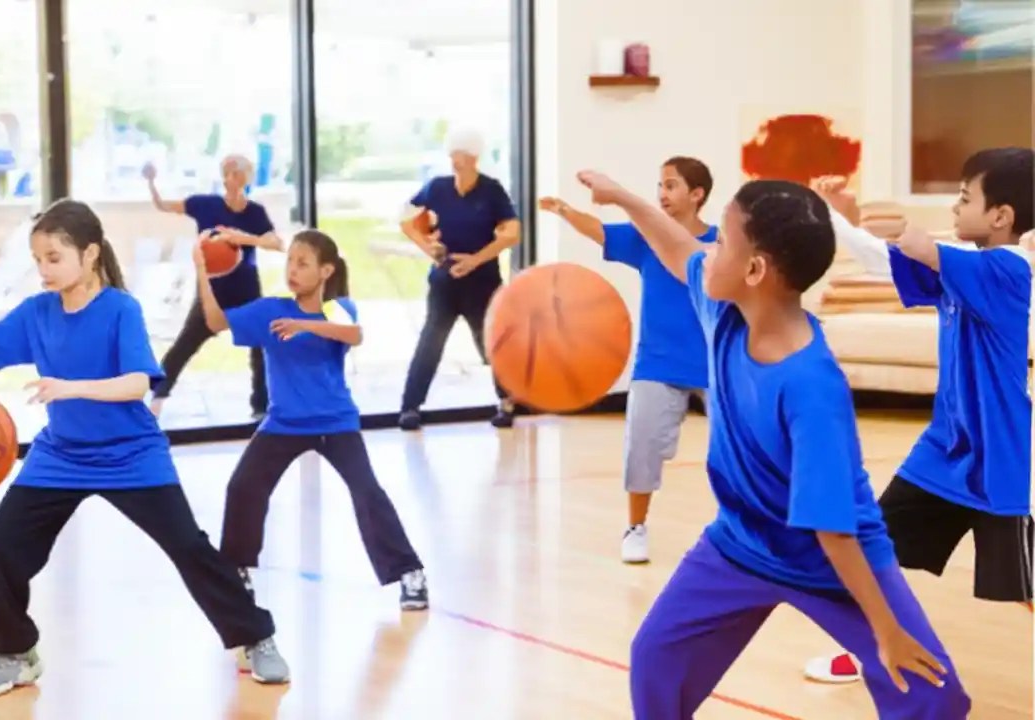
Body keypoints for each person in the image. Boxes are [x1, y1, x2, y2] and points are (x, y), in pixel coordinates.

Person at [574, 170, 970, 719]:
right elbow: (677, 246)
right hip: (739, 544)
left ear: (755, 270)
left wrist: (885, 631)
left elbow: (832, 528)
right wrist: (622, 197)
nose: (707, 251)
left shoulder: (812, 386)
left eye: (722, 245)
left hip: (831, 564)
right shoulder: (724, 311)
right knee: (655, 658)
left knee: (932, 694)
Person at [0, 198, 290, 696]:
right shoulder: (37, 312)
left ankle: (255, 638)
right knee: (0, 546)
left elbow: (138, 383)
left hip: (132, 454)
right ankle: (13, 652)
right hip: (62, 455)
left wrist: (71, 386)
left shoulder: (121, 308)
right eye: (37, 260)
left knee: (189, 548)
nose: (44, 270)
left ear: (91, 253)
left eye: (54, 258)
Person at [802, 148, 1034, 684]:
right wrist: (840, 215)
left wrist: (854, 215)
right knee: (869, 548)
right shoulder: (969, 267)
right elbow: (886, 261)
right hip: (945, 452)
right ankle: (866, 649)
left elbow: (914, 245)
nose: (954, 208)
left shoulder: (1006, 268)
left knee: (1025, 589)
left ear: (1000, 215)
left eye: (963, 197)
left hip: (1005, 464)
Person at [193, 228, 429, 613]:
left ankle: (410, 573)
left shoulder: (337, 308)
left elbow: (353, 334)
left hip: (335, 423)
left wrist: (305, 325)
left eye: (303, 263)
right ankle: (237, 573)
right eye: (290, 261)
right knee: (243, 488)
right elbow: (216, 322)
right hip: (284, 424)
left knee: (367, 493)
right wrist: (202, 272)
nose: (293, 269)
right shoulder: (271, 310)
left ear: (325, 271)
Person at [539, 157, 716, 563]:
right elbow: (599, 231)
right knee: (641, 446)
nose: (662, 193)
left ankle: (742, 527)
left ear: (697, 194)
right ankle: (636, 526)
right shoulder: (645, 239)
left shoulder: (719, 242)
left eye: (671, 185)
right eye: (659, 185)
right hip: (656, 364)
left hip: (713, 367)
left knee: (733, 452)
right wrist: (565, 211)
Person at [398, 128, 521, 431]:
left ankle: (507, 403)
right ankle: (410, 407)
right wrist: (429, 248)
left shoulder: (492, 190)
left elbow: (512, 234)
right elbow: (406, 219)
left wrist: (475, 260)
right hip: (445, 281)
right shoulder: (437, 188)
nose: (456, 161)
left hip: (482, 283)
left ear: (475, 157)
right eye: (453, 154)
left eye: (462, 155)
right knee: (431, 341)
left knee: (492, 343)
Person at [143, 154, 283, 419]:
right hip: (212, 292)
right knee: (185, 344)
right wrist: (151, 182)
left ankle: (261, 407)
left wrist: (243, 238)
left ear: (247, 178)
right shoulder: (204, 205)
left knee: (260, 349)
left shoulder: (255, 213)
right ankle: (157, 396)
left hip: (246, 290)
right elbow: (163, 205)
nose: (231, 177)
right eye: (227, 172)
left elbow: (276, 243)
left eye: (237, 172)